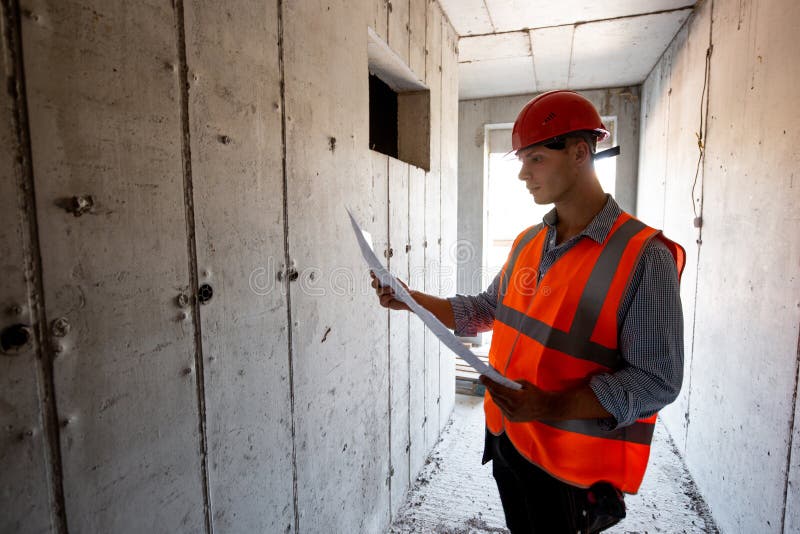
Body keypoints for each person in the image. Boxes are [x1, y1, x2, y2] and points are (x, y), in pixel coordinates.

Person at [371, 90, 685, 533]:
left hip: (569, 468)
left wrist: (549, 405)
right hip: (508, 437)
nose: (522, 173)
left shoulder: (643, 257)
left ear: (579, 153)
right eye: (522, 159)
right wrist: (411, 299)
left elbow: (658, 380)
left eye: (535, 158)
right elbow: (485, 310)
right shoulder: (529, 242)